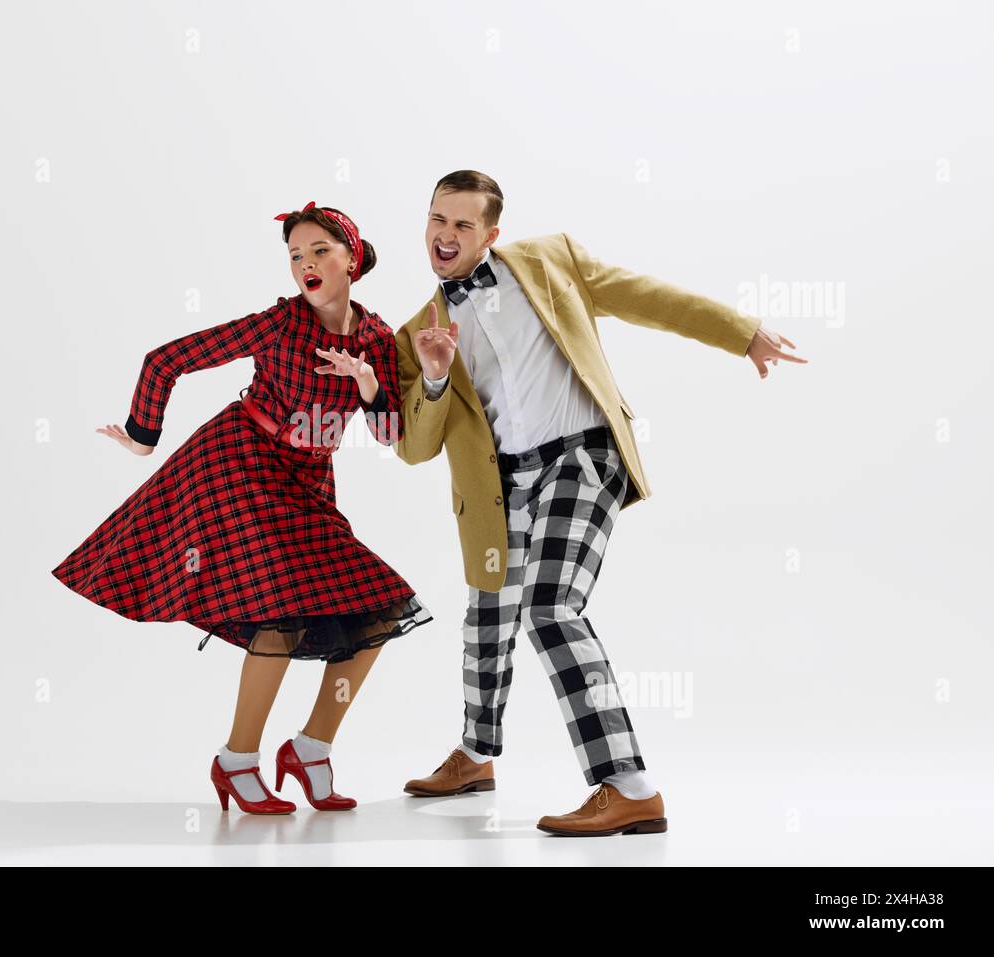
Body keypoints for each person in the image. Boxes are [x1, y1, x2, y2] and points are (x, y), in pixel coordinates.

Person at [393, 170, 807, 836]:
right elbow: (414, 445)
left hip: (582, 457)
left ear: (491, 234)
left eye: (463, 225)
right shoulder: (417, 331)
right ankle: (475, 755)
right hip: (501, 488)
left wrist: (741, 330)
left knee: (550, 605)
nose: (445, 235)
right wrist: (436, 376)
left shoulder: (549, 258)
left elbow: (647, 297)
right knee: (488, 616)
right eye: (437, 219)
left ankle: (628, 784)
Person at [51, 201, 432, 814]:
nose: (304, 265)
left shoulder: (378, 338)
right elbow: (166, 360)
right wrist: (141, 436)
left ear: (352, 260)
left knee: (380, 608)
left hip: (308, 479)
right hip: (241, 461)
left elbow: (389, 436)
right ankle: (237, 759)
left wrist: (367, 383)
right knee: (278, 613)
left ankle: (310, 748)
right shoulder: (279, 325)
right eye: (294, 256)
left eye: (318, 252)